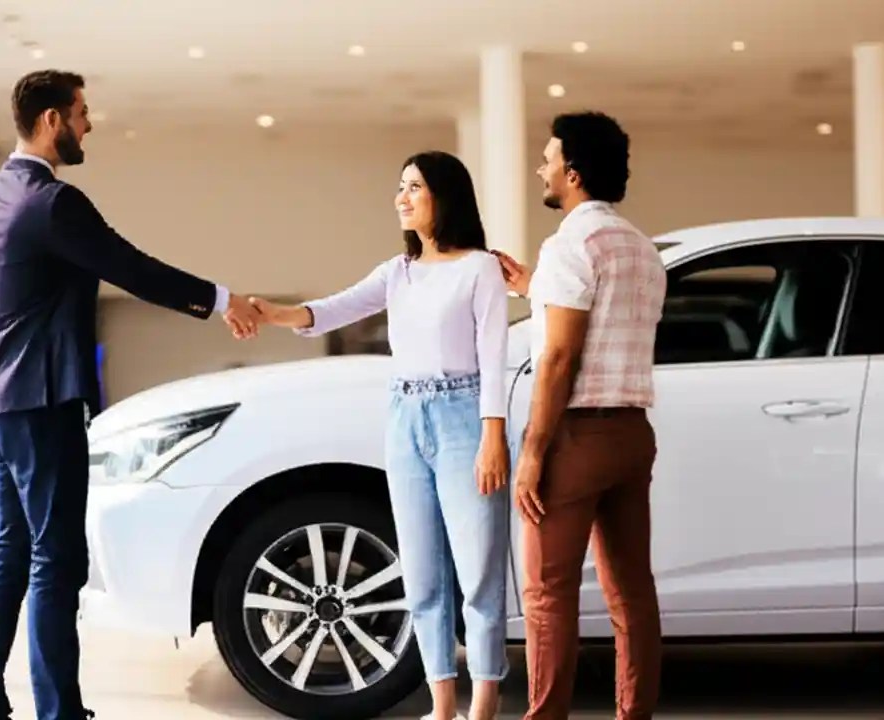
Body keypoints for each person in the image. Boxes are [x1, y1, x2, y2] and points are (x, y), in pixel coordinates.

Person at [0, 69, 261, 720]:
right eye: (81, 112)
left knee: (12, 554)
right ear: (50, 121)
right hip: (41, 402)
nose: (88, 124)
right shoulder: (52, 203)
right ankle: (59, 712)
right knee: (55, 561)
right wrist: (221, 301)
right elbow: (131, 267)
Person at [251, 151, 512, 720]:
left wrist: (494, 437)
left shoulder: (480, 269)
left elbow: (495, 360)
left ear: (444, 196)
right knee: (421, 575)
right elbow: (331, 310)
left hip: (465, 417)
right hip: (404, 418)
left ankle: (484, 704)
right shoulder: (397, 272)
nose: (401, 197)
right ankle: (443, 704)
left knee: (478, 573)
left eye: (414, 187)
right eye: (400, 187)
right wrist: (273, 313)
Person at [492, 111, 666, 720]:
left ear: (572, 172)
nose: (540, 167)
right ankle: (633, 713)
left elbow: (561, 355)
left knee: (547, 595)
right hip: (631, 434)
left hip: (576, 436)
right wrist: (533, 287)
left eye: (547, 159)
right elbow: (602, 314)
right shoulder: (643, 250)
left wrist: (534, 450)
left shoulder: (569, 244)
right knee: (631, 592)